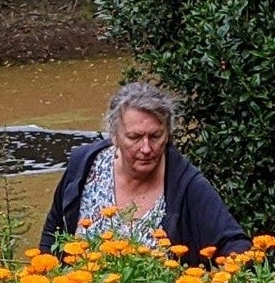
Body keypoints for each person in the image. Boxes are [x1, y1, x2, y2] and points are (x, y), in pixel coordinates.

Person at [39, 81, 251, 266]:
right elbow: (52, 235)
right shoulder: (83, 166)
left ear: (167, 134)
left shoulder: (187, 185)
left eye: (156, 136)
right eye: (135, 137)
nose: (147, 148)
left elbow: (235, 245)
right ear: (114, 135)